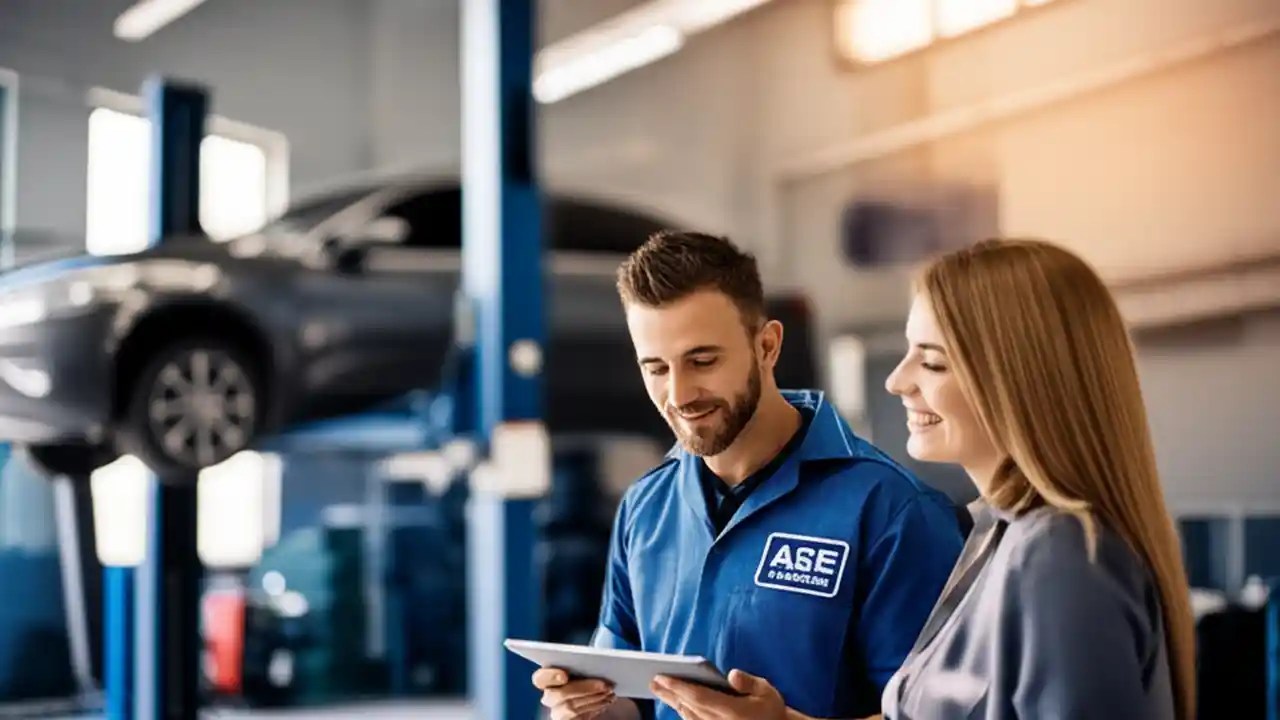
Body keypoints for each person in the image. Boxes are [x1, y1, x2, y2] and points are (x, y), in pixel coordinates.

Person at [649, 238, 1196, 720]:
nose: (896, 381)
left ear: (1018, 381)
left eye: (931, 363)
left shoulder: (1058, 555)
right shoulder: (1000, 536)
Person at [532, 231, 964, 720]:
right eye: (656, 368)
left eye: (702, 361)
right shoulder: (645, 508)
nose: (679, 394)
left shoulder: (892, 512)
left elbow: (939, 715)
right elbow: (631, 698)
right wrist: (585, 709)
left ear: (767, 345)